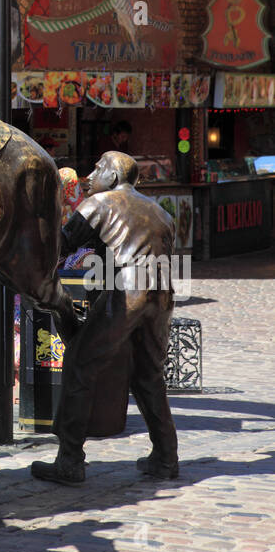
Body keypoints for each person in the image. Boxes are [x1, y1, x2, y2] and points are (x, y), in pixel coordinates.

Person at [31, 150, 179, 485]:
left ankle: (69, 459)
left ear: (113, 176)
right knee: (149, 375)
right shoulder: (159, 211)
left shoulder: (99, 203)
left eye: (97, 168)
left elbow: (63, 244)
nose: (89, 176)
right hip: (164, 292)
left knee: (81, 363)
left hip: (128, 289)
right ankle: (166, 456)